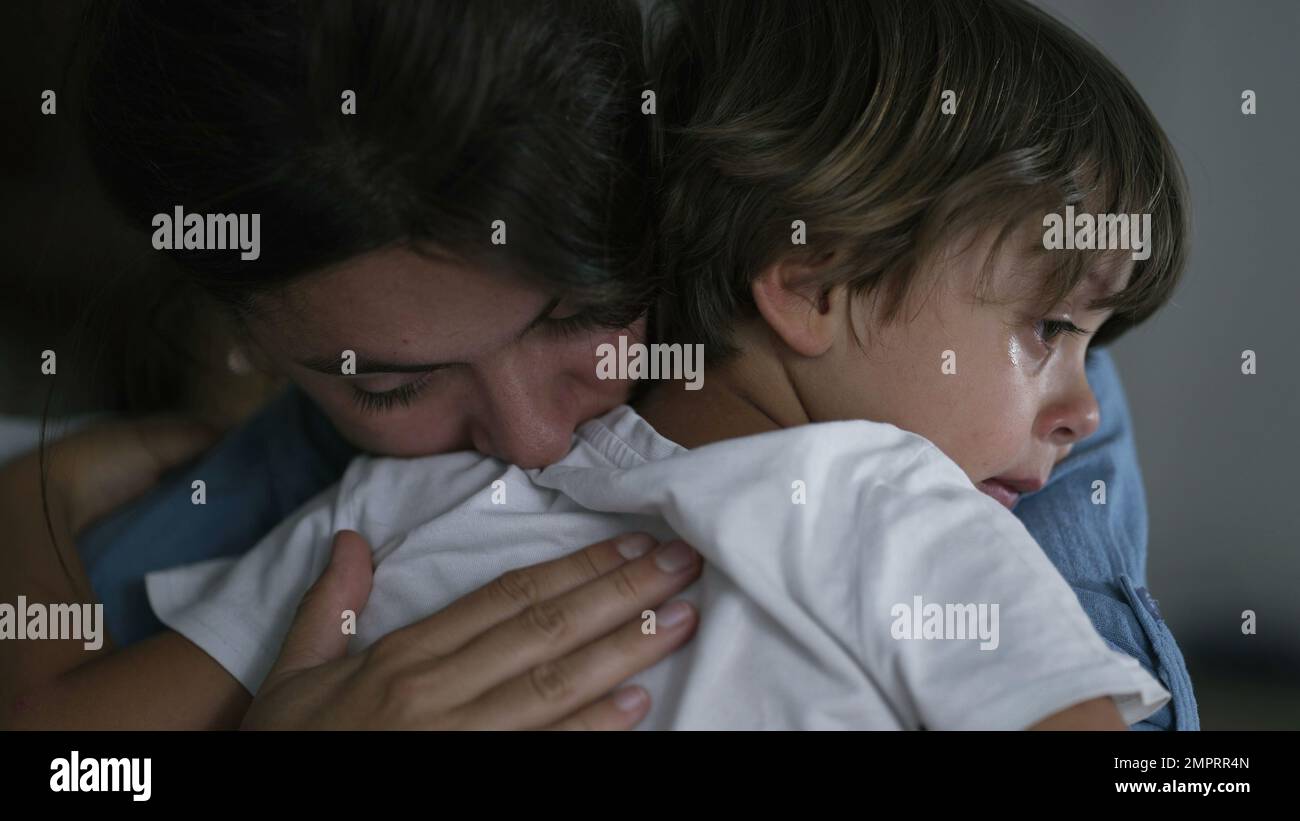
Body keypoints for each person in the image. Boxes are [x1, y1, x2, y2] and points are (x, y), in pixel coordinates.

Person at [0, 0, 1198, 729]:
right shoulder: (374, 515)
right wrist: (29, 499)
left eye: (581, 311)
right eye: (392, 382)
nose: (532, 441)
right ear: (252, 339)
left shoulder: (911, 477)